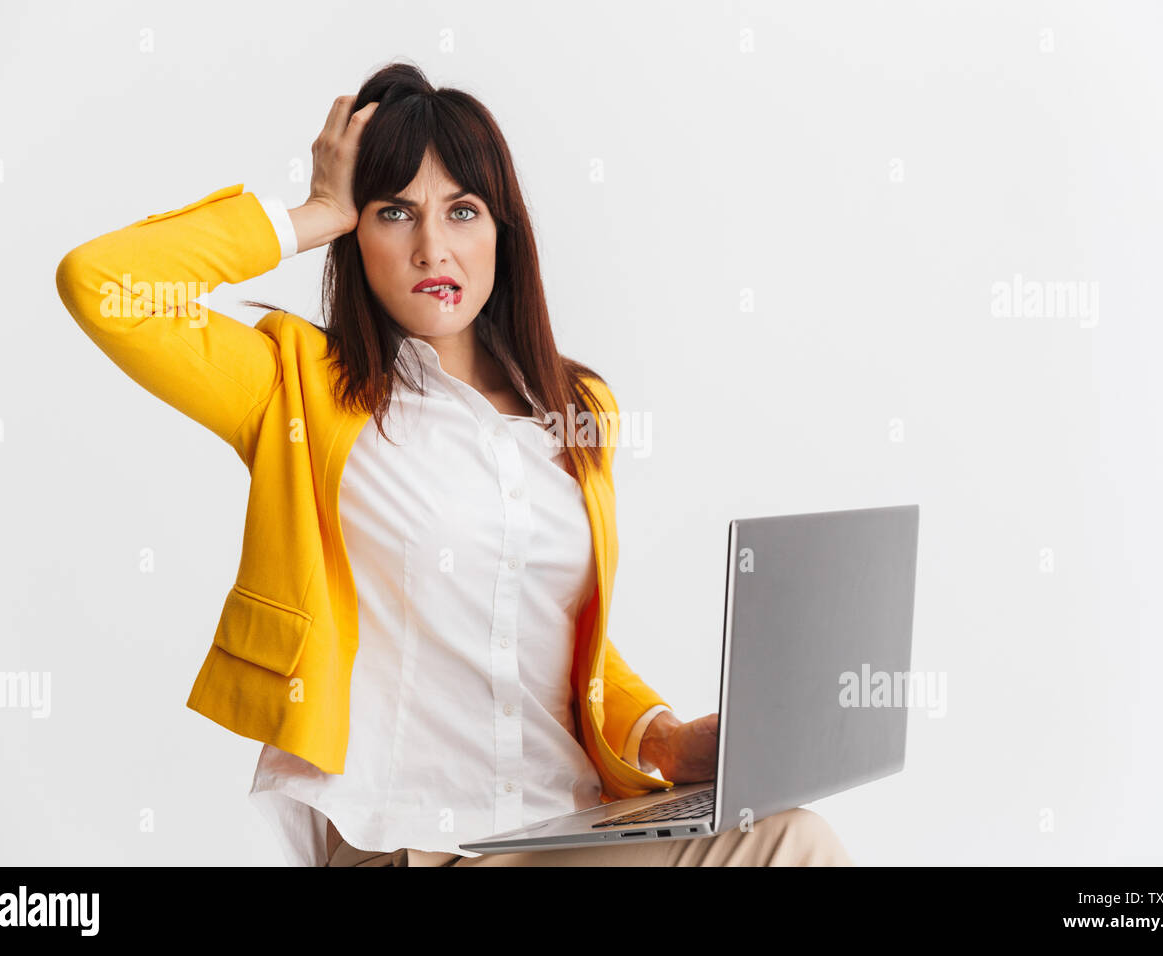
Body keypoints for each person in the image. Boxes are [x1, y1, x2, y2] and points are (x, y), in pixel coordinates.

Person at [55, 60, 852, 867]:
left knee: (792, 840)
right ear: (356, 237)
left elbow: (551, 630)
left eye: (462, 211)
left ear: (502, 228)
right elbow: (103, 283)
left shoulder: (578, 408)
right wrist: (313, 210)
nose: (432, 246)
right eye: (394, 212)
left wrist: (664, 737)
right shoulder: (297, 390)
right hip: (409, 843)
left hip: (568, 829)